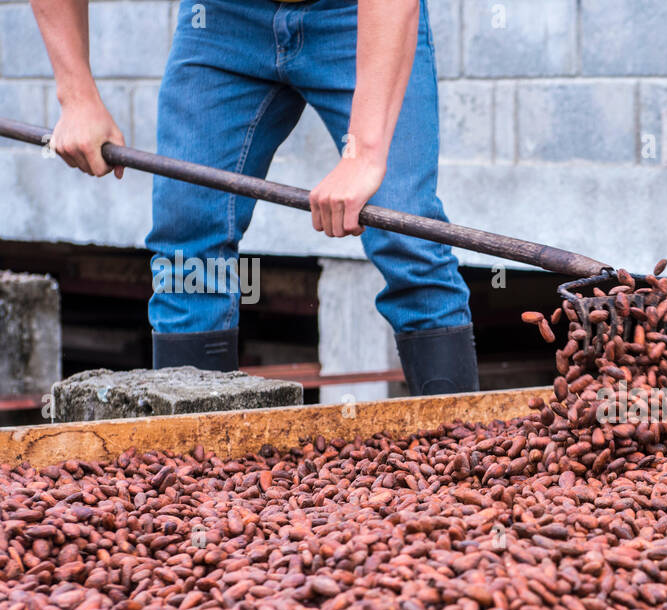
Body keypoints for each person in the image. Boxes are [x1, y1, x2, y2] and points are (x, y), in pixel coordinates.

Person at [30, 0, 478, 394]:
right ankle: (192, 471)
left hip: (357, 15)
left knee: (407, 230)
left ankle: (459, 456)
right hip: (221, 19)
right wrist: (77, 97)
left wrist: (364, 152)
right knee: (188, 243)